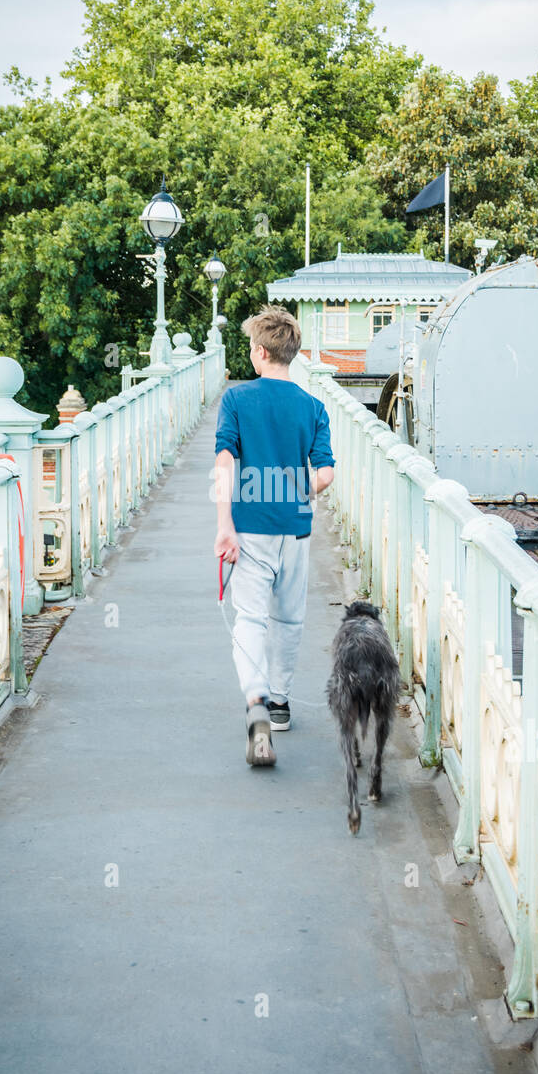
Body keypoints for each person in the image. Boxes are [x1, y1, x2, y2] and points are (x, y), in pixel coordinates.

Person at [213, 305, 335, 765]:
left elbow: (225, 461)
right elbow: (325, 474)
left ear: (261, 352)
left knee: (250, 618)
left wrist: (225, 525)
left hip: (250, 527)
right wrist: (297, 489)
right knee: (288, 619)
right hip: (295, 529)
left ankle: (257, 704)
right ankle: (281, 703)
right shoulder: (313, 406)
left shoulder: (237, 400)